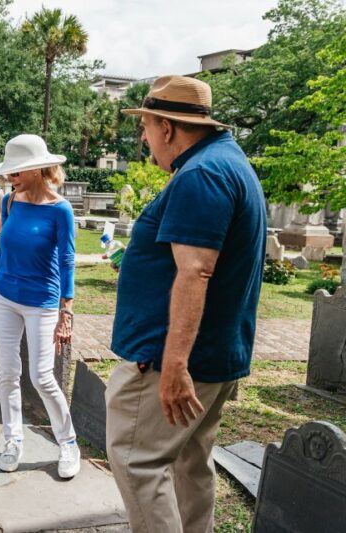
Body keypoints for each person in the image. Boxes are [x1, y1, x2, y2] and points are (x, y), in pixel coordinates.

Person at [106, 75, 266, 533]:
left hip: (170, 362)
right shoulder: (228, 163)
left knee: (138, 461)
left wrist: (174, 365)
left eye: (146, 127)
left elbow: (195, 271)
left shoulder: (202, 174)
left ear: (168, 127)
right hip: (215, 355)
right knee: (190, 464)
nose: (143, 137)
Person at [0, 134, 81, 479]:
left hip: (42, 302)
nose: (11, 177)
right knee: (8, 374)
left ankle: (68, 442)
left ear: (38, 169)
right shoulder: (8, 201)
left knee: (42, 376)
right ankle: (13, 439)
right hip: (6, 295)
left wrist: (66, 312)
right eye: (9, 171)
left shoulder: (60, 210)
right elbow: (2, 252)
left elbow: (67, 261)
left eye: (17, 171)